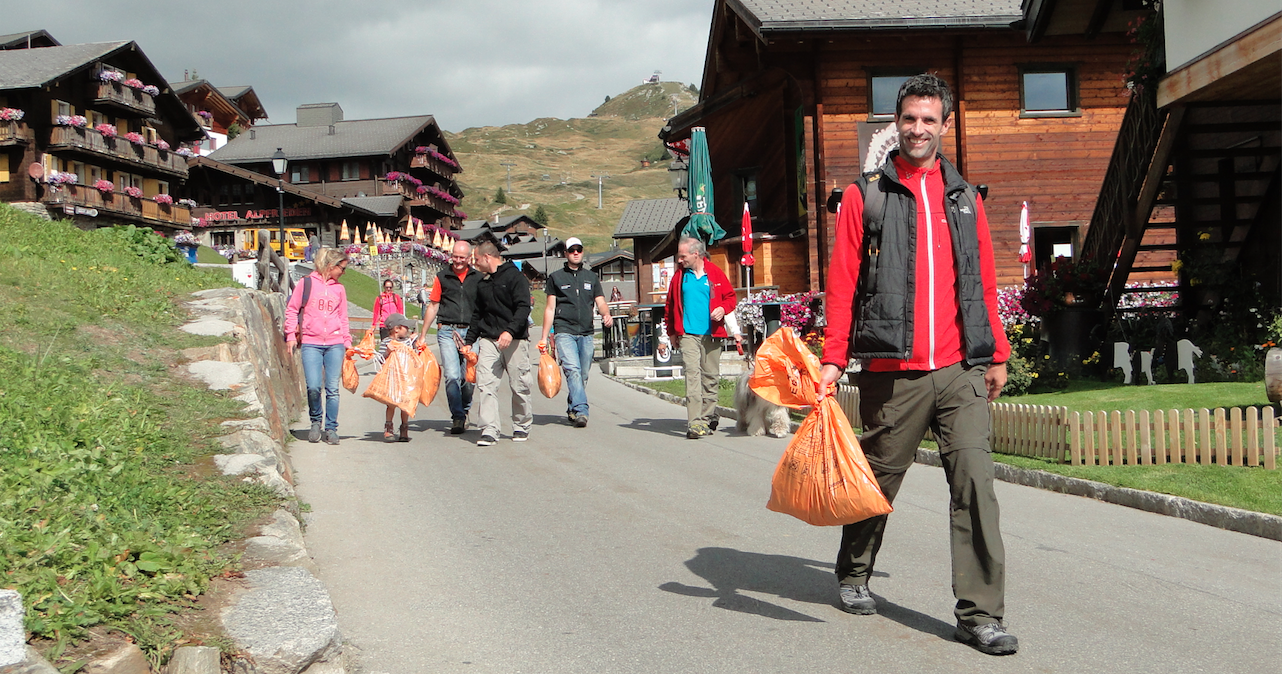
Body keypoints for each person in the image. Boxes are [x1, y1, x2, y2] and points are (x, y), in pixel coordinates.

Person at [816, 74, 1016, 655]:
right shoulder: (865, 196)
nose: (919, 129)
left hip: (959, 369)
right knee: (878, 479)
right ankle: (855, 571)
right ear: (895, 124)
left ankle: (980, 614)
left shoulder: (965, 198)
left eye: (930, 119)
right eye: (910, 119)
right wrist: (833, 359)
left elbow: (981, 280)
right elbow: (842, 281)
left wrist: (996, 353)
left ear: (945, 126)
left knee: (975, 483)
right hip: (892, 371)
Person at [663, 236, 737, 439]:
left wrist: (722, 308)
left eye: (683, 256)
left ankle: (707, 416)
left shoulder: (715, 273)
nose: (680, 260)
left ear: (696, 254)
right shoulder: (679, 277)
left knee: (711, 377)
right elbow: (669, 305)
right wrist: (671, 332)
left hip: (712, 334)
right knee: (692, 375)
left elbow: (731, 297)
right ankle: (695, 423)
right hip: (688, 334)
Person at [462, 241, 533, 446]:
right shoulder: (482, 283)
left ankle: (521, 425)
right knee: (486, 385)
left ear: (487, 258)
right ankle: (489, 430)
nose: (473, 264)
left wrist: (510, 331)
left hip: (515, 340)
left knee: (519, 385)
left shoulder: (515, 277)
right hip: (488, 340)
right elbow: (478, 315)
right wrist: (469, 341)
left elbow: (523, 307)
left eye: (476, 259)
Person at [538, 237, 614, 427]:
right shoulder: (556, 278)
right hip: (564, 331)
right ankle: (582, 410)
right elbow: (549, 309)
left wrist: (607, 315)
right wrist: (544, 336)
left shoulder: (591, 277)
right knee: (572, 370)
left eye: (579, 249)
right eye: (572, 250)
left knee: (583, 374)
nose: (576, 253)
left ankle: (573, 407)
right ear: (566, 253)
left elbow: (601, 302)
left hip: (587, 333)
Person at [284, 247, 352, 445]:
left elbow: (343, 317)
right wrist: (290, 335)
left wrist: (347, 341)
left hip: (335, 343)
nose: (343, 272)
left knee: (332, 388)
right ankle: (315, 422)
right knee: (313, 386)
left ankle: (331, 428)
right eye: (342, 268)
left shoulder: (339, 289)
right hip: (311, 342)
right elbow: (292, 310)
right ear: (331, 266)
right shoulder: (306, 284)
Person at [421, 240, 481, 434]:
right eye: (455, 256)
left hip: (472, 333)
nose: (457, 261)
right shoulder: (442, 277)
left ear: (468, 258)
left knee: (469, 378)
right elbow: (433, 306)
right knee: (452, 376)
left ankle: (465, 408)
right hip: (447, 330)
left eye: (461, 257)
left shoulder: (478, 278)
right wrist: (423, 335)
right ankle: (457, 417)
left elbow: (486, 306)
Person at [375, 313, 418, 442]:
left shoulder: (408, 342)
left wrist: (415, 343)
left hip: (405, 378)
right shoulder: (386, 342)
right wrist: (387, 351)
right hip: (392, 378)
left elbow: (414, 356)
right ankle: (388, 427)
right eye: (406, 327)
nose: (408, 330)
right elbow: (380, 359)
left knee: (405, 404)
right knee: (391, 404)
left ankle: (404, 427)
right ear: (396, 329)